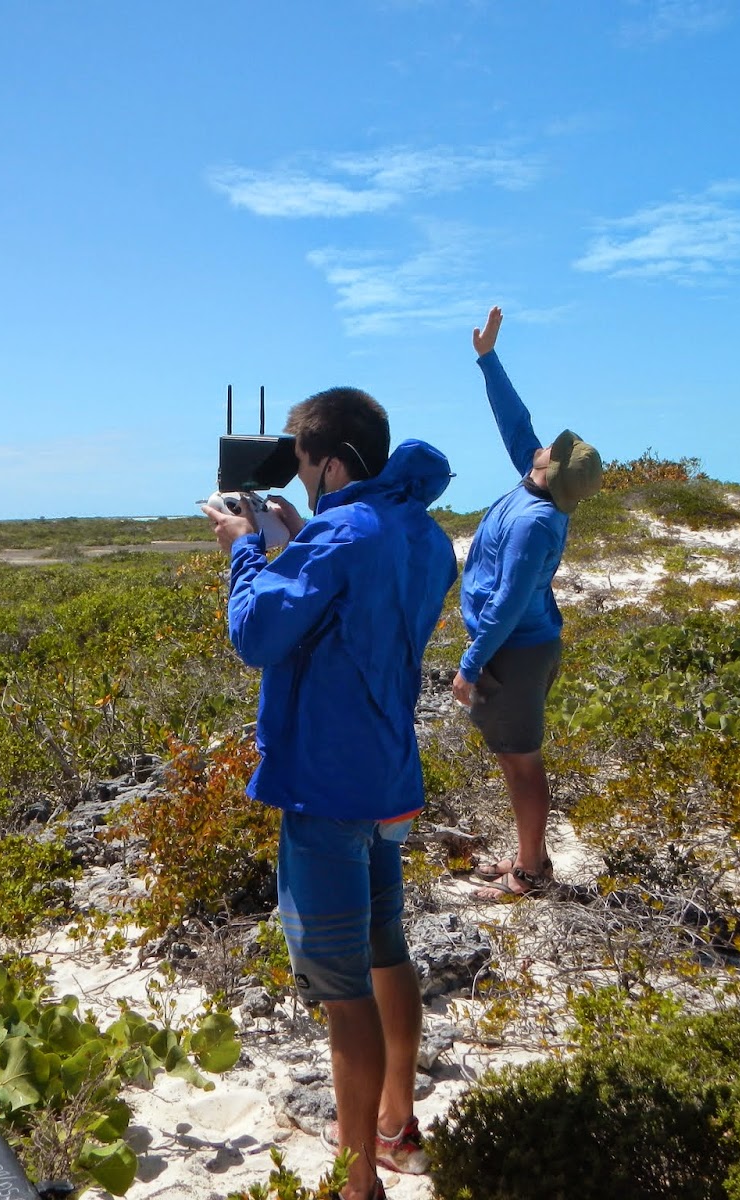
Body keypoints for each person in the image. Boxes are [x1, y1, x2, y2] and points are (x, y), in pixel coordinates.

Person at [202, 387, 457, 1200]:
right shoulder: (420, 532)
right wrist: (299, 538)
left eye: (307, 466)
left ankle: (359, 1188)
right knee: (389, 955)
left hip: (325, 791)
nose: (302, 478)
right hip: (388, 782)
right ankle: (396, 1131)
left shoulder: (341, 531)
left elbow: (257, 635)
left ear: (334, 463)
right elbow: (361, 592)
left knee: (345, 997)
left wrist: (248, 547)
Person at [451, 306, 603, 901]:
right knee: (517, 756)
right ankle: (525, 856)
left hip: (517, 650)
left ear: (552, 472)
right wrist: (488, 359)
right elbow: (516, 421)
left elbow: (511, 601)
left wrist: (469, 665)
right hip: (515, 648)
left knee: (521, 760)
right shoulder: (535, 480)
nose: (543, 446)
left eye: (551, 450)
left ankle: (533, 871)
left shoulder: (536, 522)